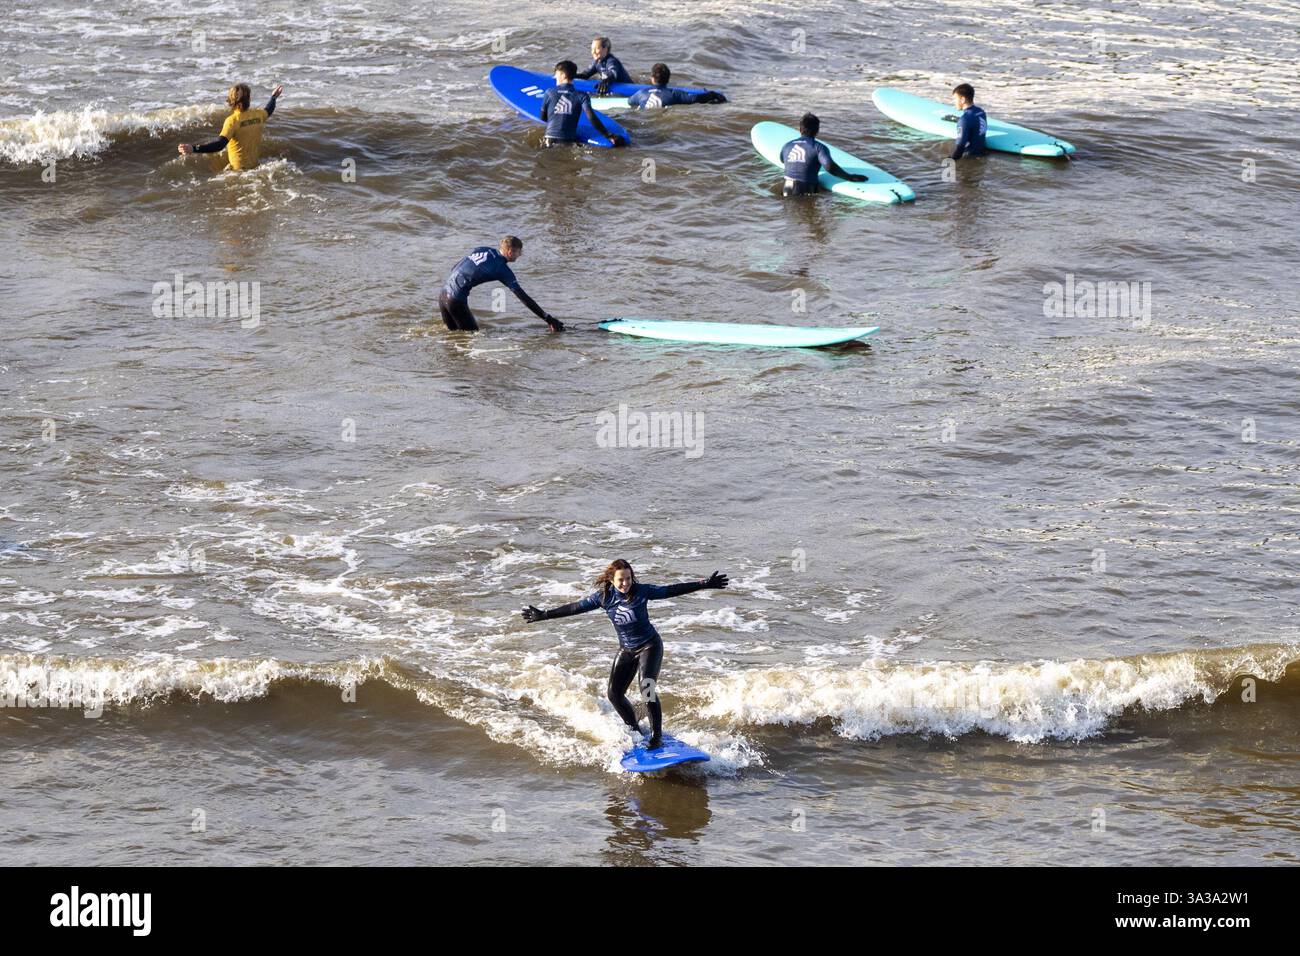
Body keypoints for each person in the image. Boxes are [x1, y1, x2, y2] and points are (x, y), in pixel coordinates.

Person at [521, 559, 729, 749]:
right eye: (621, 580)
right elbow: (576, 607)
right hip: (627, 649)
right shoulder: (604, 598)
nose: (625, 583)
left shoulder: (641, 591)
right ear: (612, 580)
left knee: (646, 689)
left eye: (628, 578)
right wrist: (544, 615)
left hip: (650, 646)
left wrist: (703, 584)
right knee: (614, 694)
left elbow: (670, 590)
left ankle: (657, 736)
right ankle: (635, 730)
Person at [439, 236, 562, 333]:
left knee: (452, 337)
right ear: (510, 252)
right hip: (455, 300)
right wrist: (548, 318)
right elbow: (524, 298)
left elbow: (455, 267)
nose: (520, 255)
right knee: (471, 338)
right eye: (519, 252)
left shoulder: (483, 249)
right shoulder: (502, 269)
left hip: (443, 294)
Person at [178, 83, 283, 170]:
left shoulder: (232, 121)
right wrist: (273, 97)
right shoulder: (258, 115)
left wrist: (194, 148)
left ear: (230, 101)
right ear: (249, 99)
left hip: (238, 171)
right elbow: (269, 109)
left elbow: (219, 145)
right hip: (255, 167)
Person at [779, 113, 868, 196]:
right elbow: (829, 166)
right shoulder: (818, 147)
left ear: (800, 129)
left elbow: (783, 160)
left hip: (786, 188)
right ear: (817, 130)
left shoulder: (787, 145)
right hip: (805, 190)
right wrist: (849, 177)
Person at [540, 61, 626, 147]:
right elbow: (591, 118)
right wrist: (608, 135)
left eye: (557, 74)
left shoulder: (549, 93)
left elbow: (543, 118)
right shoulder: (582, 96)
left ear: (563, 76)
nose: (555, 77)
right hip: (568, 141)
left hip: (548, 140)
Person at [627, 64, 727, 109]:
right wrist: (714, 94)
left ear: (652, 78)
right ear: (668, 79)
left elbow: (630, 101)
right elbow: (696, 99)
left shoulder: (640, 93)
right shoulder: (674, 94)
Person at [950, 83, 987, 159]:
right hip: (981, 154)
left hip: (968, 158)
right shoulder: (981, 112)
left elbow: (960, 148)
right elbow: (974, 124)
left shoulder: (964, 120)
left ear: (962, 100)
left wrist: (948, 163)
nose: (953, 102)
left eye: (955, 99)